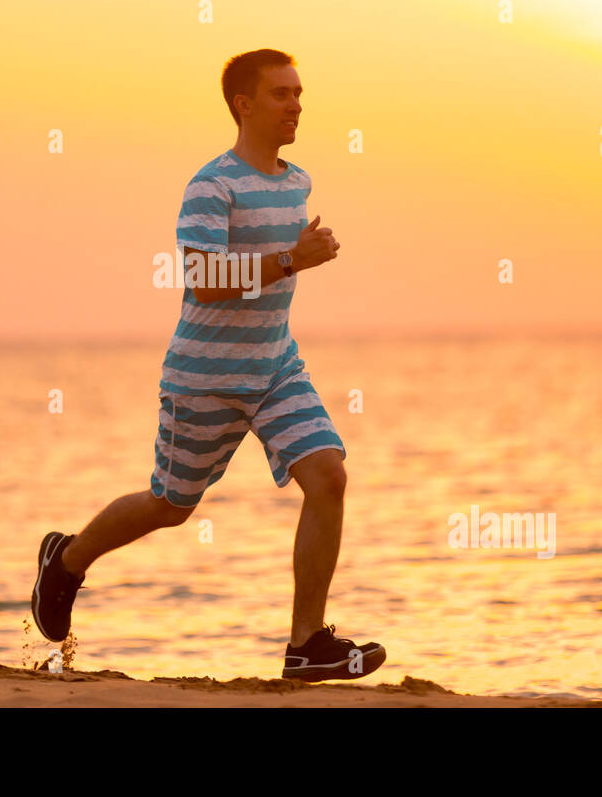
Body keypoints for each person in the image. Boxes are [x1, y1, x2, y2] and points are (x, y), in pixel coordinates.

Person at [31, 49, 385, 681]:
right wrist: (289, 259)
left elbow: (277, 263)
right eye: (281, 94)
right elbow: (200, 277)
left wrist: (301, 254)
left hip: (276, 367)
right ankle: (66, 561)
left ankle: (306, 644)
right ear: (243, 105)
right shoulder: (210, 186)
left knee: (328, 476)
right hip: (204, 376)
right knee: (170, 506)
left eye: (299, 93)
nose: (296, 105)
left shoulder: (297, 181)